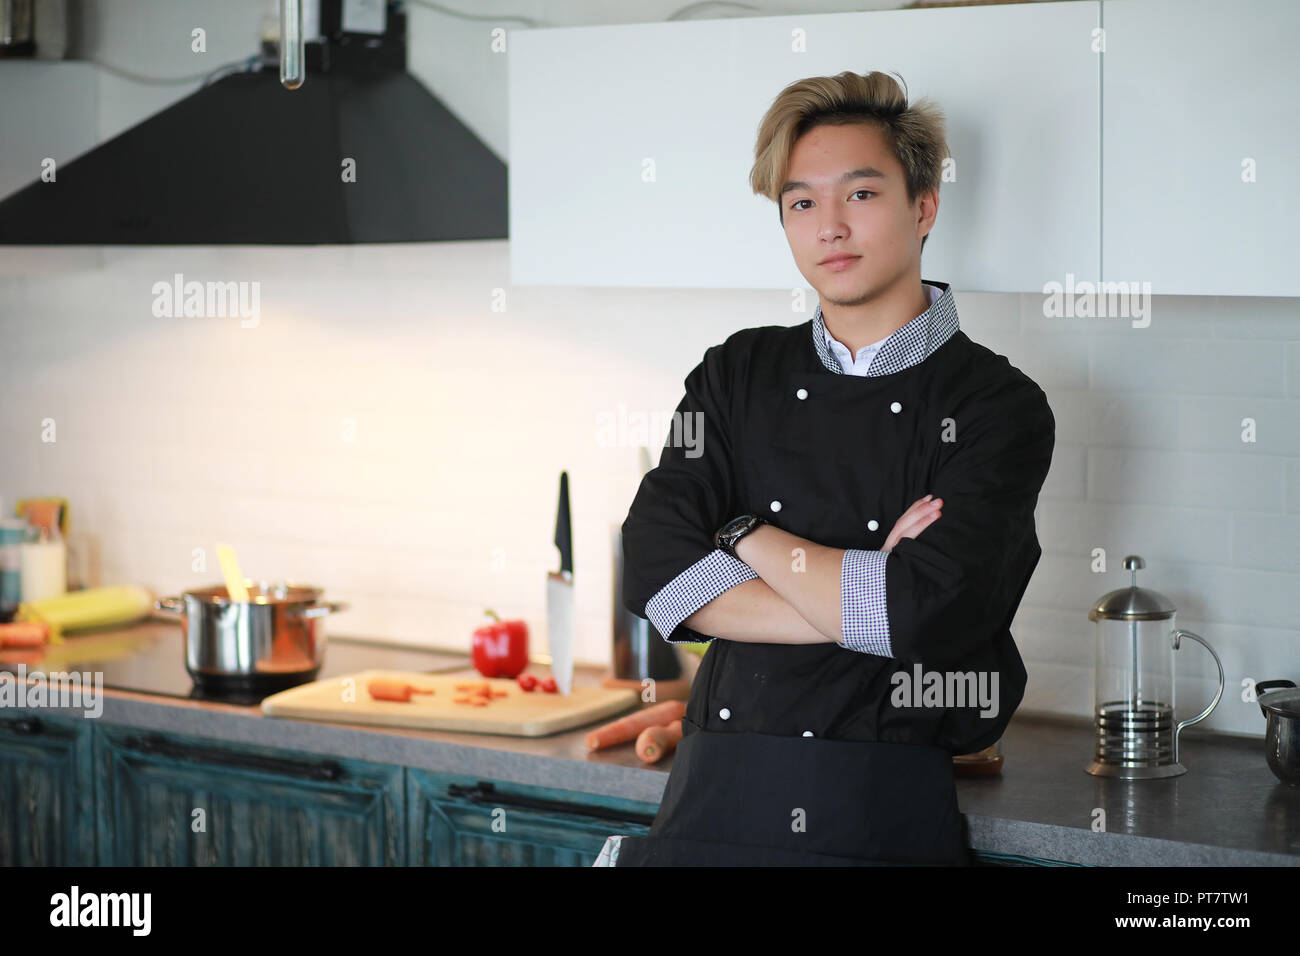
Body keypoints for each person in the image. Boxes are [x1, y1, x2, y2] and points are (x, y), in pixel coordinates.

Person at [601, 70, 1055, 867]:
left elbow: (925, 617)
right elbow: (654, 564)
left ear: (923, 208)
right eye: (802, 203)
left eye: (861, 195)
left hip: (877, 809)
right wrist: (865, 595)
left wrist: (742, 534)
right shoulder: (735, 372)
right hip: (713, 794)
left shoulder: (997, 406)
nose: (830, 227)